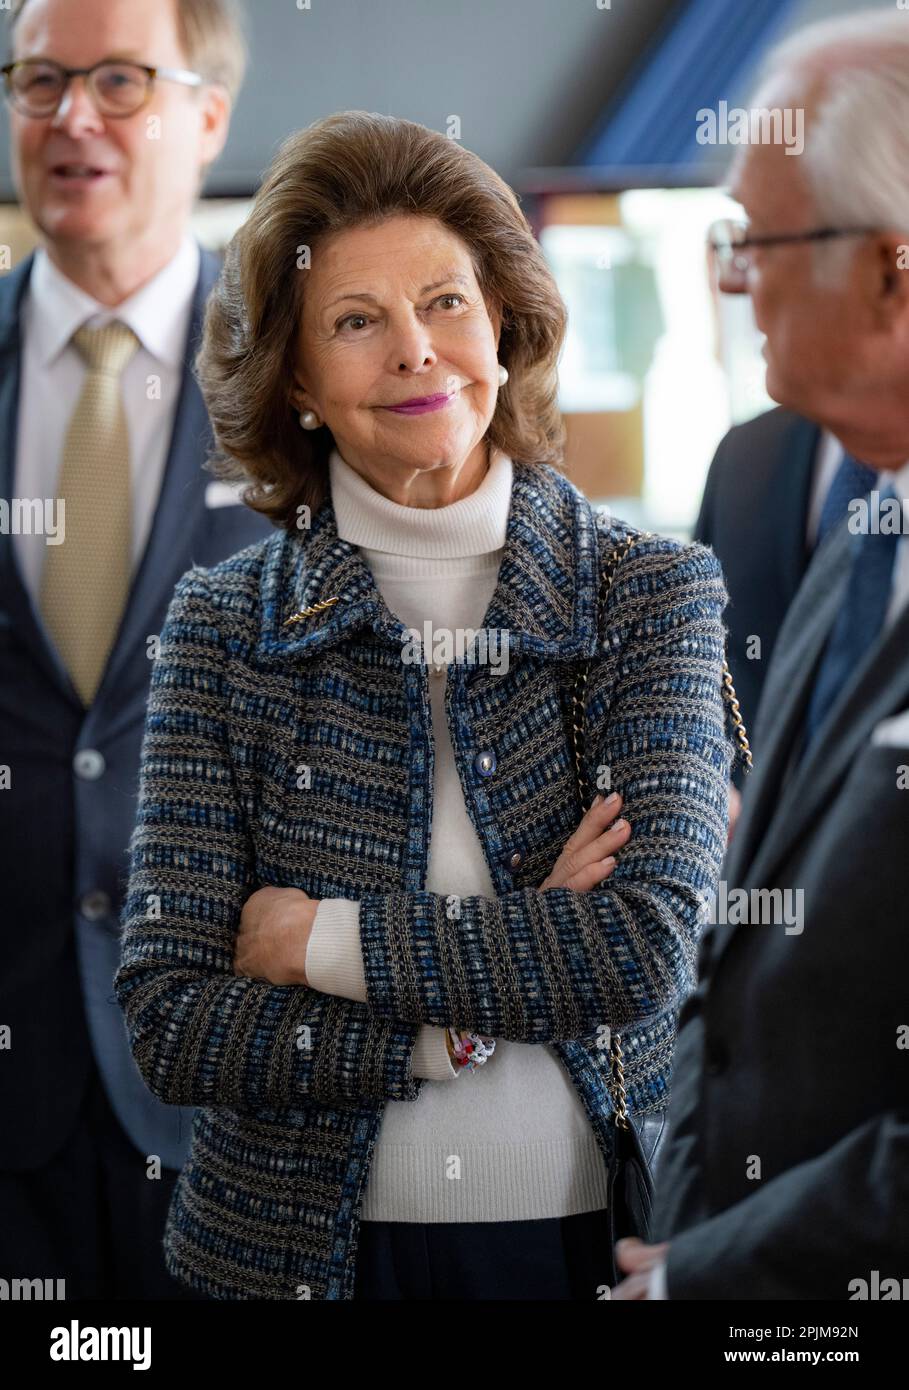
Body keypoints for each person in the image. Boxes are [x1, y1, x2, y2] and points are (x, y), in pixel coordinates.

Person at [115, 109, 734, 1302]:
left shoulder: (651, 592)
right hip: (284, 1262)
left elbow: (636, 950)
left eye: (446, 301)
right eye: (356, 322)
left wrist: (317, 943)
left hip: (592, 1248)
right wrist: (445, 1029)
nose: (416, 351)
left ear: (503, 320)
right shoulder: (221, 625)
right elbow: (172, 1015)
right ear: (295, 379)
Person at [614, 8, 909, 1301]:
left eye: (760, 243)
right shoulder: (867, 538)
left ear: (893, 276)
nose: (734, 282)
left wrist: (704, 1276)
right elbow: (731, 982)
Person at [0, 0, 271, 1300]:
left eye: (117, 80)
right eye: (39, 82)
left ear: (209, 114)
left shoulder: (304, 388)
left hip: (242, 1101)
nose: (69, 118)